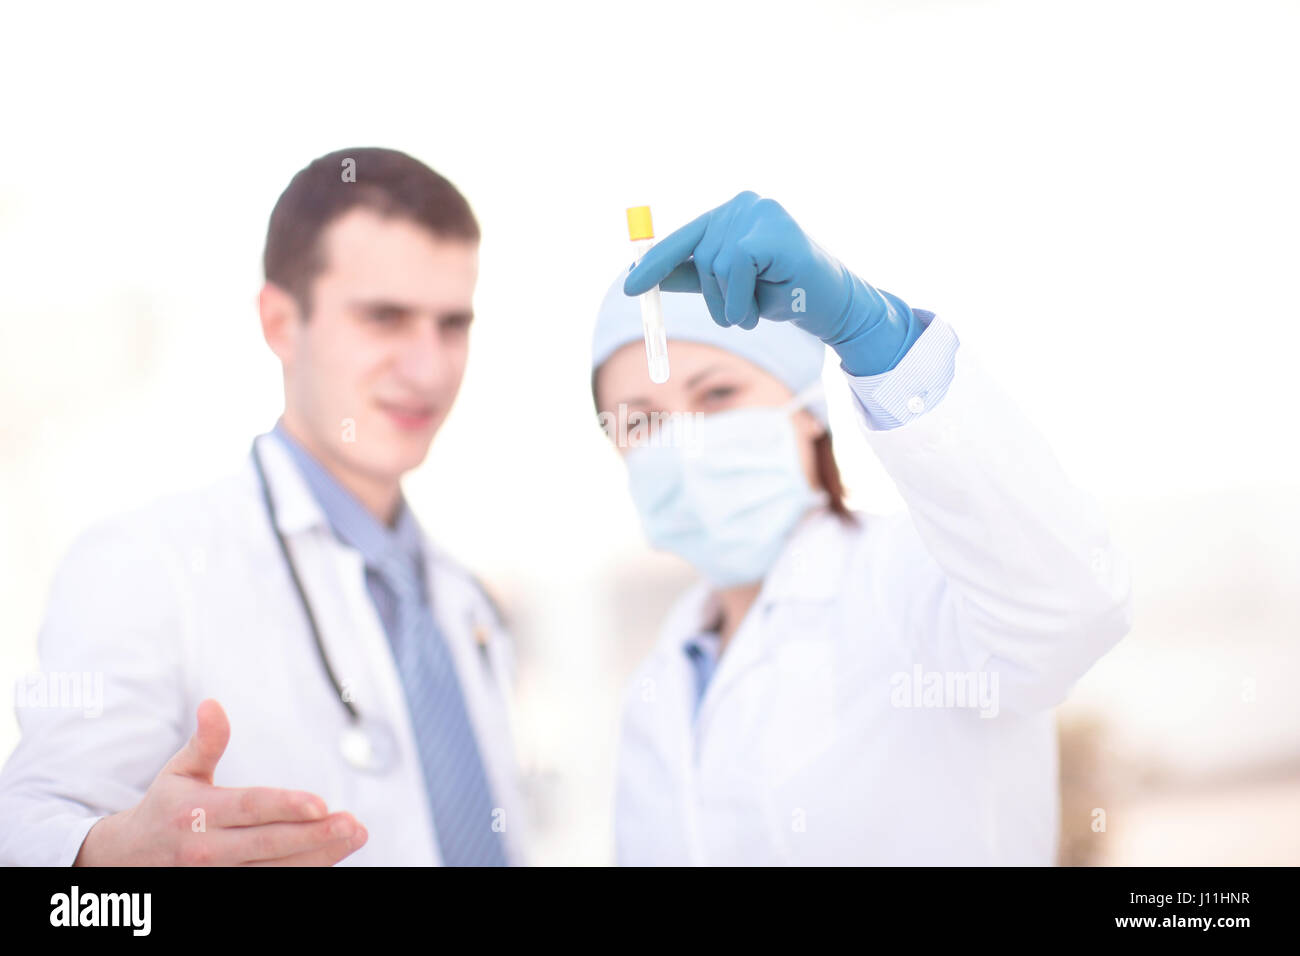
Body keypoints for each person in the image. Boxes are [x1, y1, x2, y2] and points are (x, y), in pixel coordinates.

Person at [0, 148, 526, 866]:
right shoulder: (148, 566)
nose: (428, 367)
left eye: (452, 324)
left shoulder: (461, 604)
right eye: (385, 318)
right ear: (280, 323)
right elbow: (28, 826)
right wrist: (107, 854)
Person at [591, 191, 1134, 865]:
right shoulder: (660, 688)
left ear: (807, 410)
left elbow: (1072, 612)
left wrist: (873, 334)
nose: (685, 441)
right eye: (642, 420)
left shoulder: (915, 583)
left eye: (718, 395)